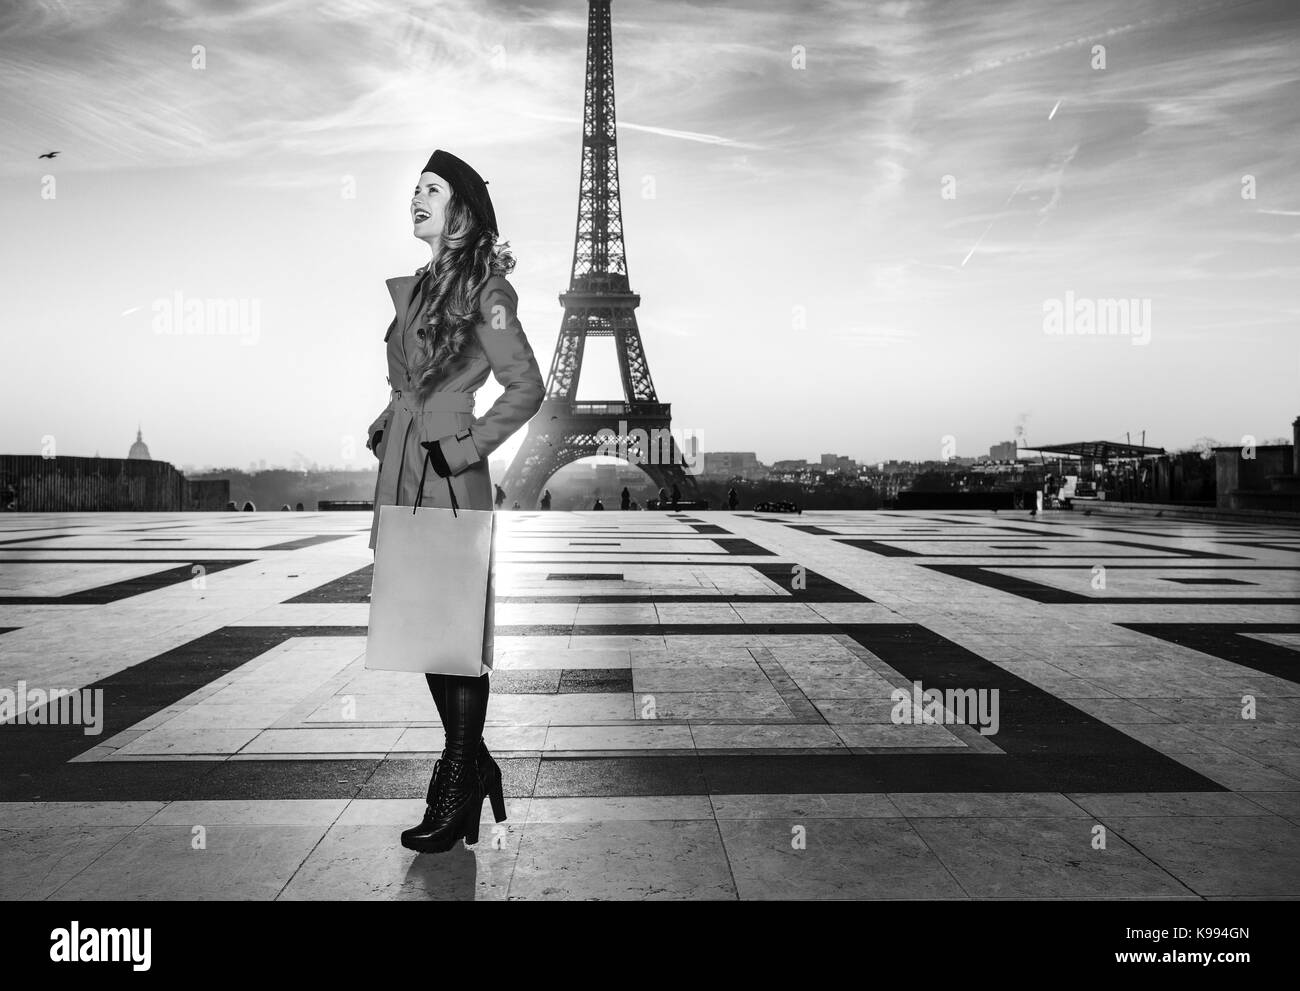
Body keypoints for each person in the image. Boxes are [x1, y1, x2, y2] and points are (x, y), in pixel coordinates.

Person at [363, 148, 544, 854]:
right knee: (427, 634)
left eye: (431, 190)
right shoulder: (422, 287)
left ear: (461, 210)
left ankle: (458, 773)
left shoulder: (489, 290)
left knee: (455, 640)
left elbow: (526, 387)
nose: (415, 198)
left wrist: (463, 445)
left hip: (447, 472)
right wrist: (390, 417)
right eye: (413, 188)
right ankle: (473, 765)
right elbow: (408, 379)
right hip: (404, 470)